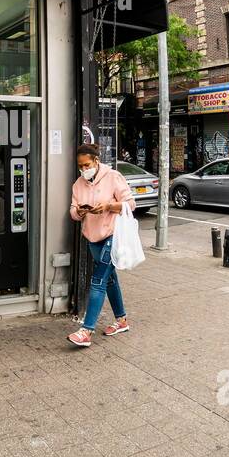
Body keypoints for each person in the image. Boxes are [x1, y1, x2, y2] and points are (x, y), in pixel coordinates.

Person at [68, 144, 135, 348]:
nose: (83, 169)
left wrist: (107, 206)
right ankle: (121, 321)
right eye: (80, 166)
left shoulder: (113, 176)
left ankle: (86, 331)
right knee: (110, 280)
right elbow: (72, 210)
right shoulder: (78, 184)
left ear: (96, 161)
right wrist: (79, 212)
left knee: (98, 279)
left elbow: (130, 204)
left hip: (112, 235)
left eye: (86, 164)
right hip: (92, 237)